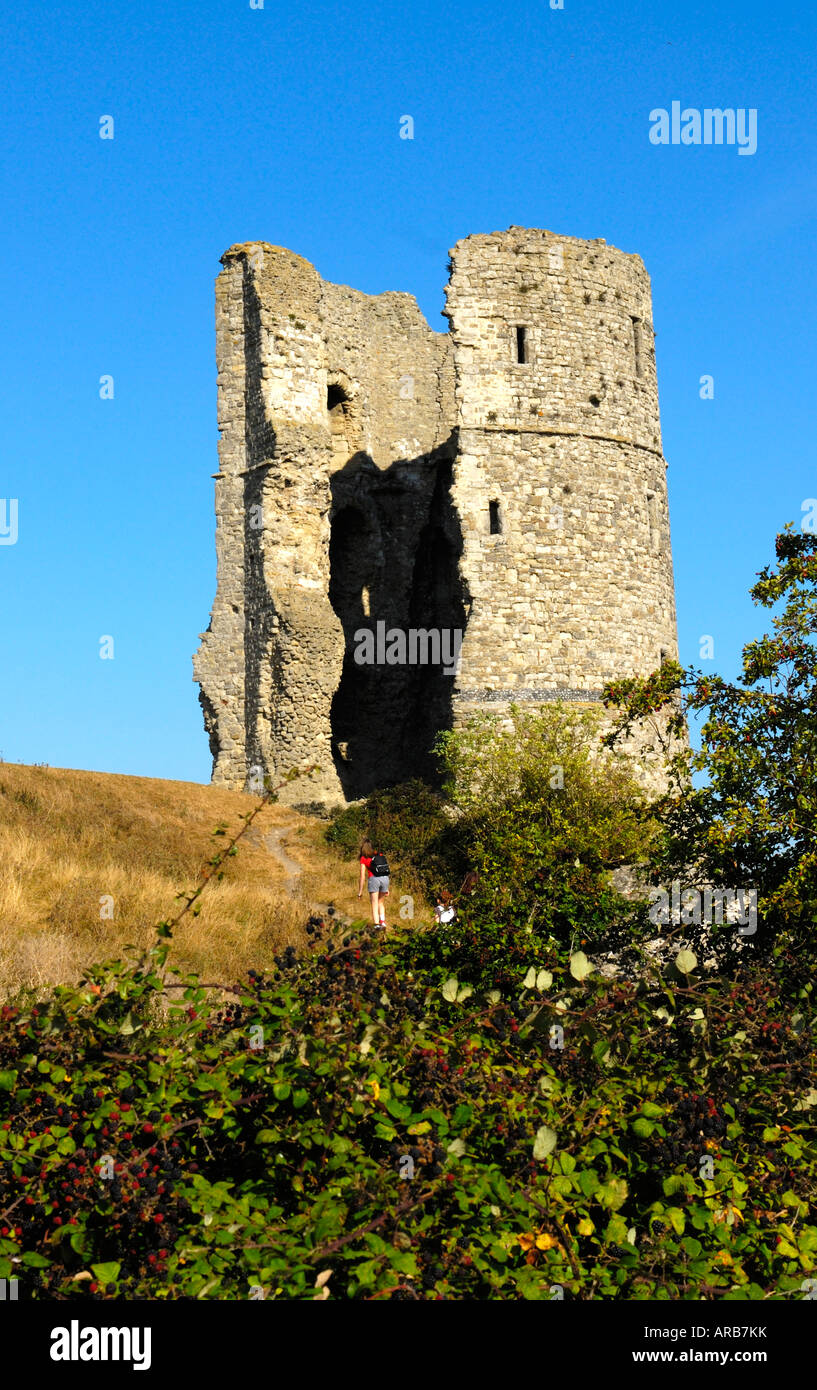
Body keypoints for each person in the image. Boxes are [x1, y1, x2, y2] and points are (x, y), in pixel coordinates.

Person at [358, 838, 390, 928]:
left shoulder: (363, 858)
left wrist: (360, 892)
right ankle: (383, 922)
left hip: (374, 879)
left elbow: (362, 876)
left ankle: (376, 925)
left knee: (374, 903)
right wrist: (387, 888)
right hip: (385, 879)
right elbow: (384, 869)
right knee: (381, 902)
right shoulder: (379, 854)